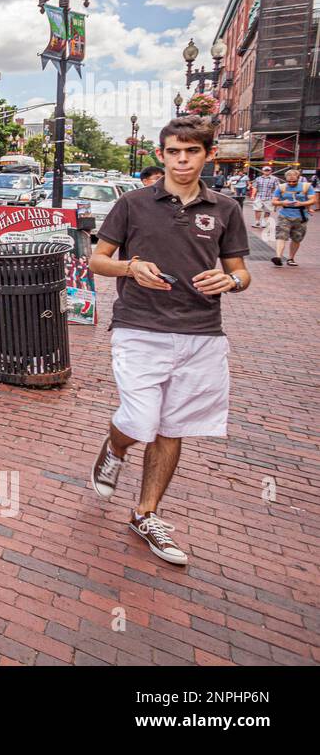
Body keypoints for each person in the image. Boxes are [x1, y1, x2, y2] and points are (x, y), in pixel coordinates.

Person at [87, 116, 250, 567]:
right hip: (139, 326)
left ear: (208, 154)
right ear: (161, 154)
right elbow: (97, 260)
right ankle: (115, 447)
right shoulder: (132, 204)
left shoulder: (225, 209)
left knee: (172, 427)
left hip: (201, 332)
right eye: (174, 151)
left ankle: (146, 514)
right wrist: (130, 267)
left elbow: (241, 270)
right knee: (142, 418)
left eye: (192, 151)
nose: (182, 160)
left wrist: (231, 281)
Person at [271, 167, 312, 267]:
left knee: (296, 238)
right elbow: (274, 201)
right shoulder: (281, 187)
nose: (292, 183)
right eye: (289, 181)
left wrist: (302, 203)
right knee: (281, 235)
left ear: (299, 178)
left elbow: (313, 200)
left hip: (301, 216)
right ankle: (278, 257)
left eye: (294, 181)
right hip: (285, 215)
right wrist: (282, 202)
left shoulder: (306, 187)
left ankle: (291, 258)